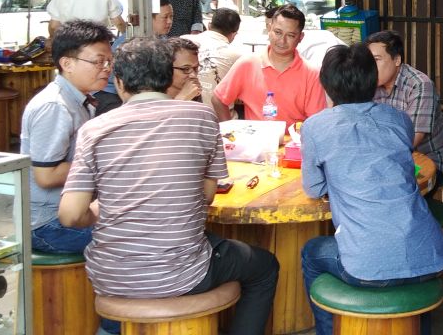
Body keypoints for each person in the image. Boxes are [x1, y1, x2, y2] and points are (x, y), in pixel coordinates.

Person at [58, 37, 279, 335]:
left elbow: (70, 215)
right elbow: (207, 195)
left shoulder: (93, 130)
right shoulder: (201, 116)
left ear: (119, 83)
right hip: (182, 275)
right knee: (264, 266)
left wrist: (104, 207)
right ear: (167, 78)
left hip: (109, 276)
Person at [300, 43, 443, 335]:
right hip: (430, 255)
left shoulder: (315, 126)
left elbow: (314, 188)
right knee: (413, 280)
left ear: (326, 86)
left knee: (311, 252)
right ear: (373, 81)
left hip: (367, 267)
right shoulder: (398, 119)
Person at [22, 20, 114, 253]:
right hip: (47, 224)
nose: (107, 68)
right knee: (139, 235)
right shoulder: (55, 105)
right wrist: (107, 162)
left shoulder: (79, 99)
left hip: (70, 213)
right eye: (98, 61)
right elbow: (46, 175)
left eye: (109, 61)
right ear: (67, 64)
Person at [211, 4, 327, 123]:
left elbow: (316, 121)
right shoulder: (248, 64)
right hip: (256, 135)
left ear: (300, 37)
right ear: (269, 29)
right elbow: (218, 99)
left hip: (295, 135)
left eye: (290, 35)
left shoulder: (312, 74)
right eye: (278, 32)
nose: (282, 41)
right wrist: (228, 128)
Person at [366, 30, 443, 175]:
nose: (371, 67)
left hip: (426, 159)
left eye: (377, 60)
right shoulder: (369, 83)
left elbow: (412, 139)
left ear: (397, 60)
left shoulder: (420, 85)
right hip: (386, 158)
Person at [93, 0, 175, 115]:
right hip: (113, 93)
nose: (169, 21)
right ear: (149, 19)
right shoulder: (128, 42)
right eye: (165, 17)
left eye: (171, 17)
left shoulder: (163, 39)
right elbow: (117, 77)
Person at [183, 7, 243, 108]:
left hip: (182, 108)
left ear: (209, 26)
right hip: (219, 114)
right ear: (234, 34)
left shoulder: (183, 41)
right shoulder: (237, 56)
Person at [167, 37, 203, 102]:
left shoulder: (194, 93)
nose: (193, 75)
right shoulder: (151, 97)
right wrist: (182, 98)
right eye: (186, 69)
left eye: (195, 68)